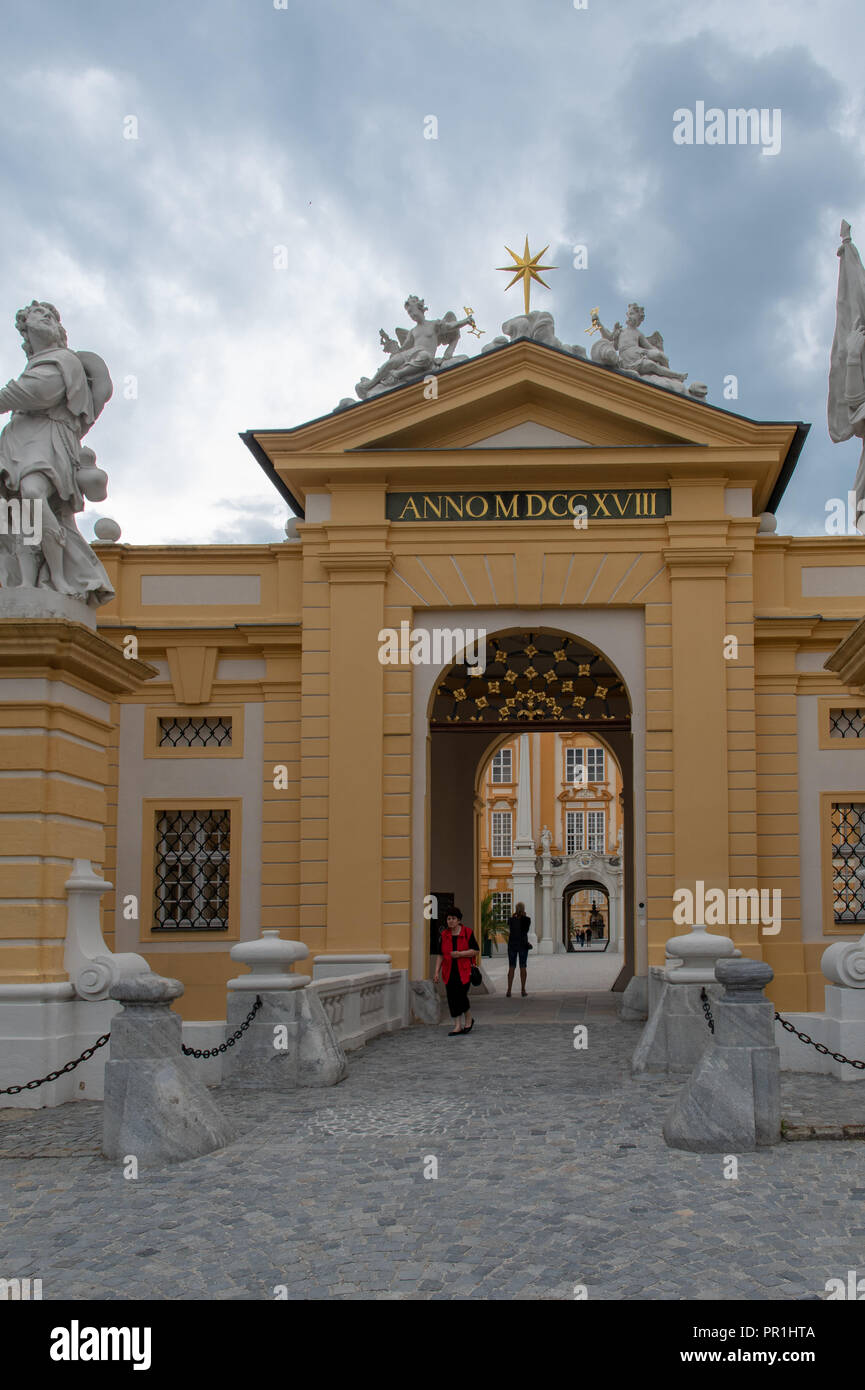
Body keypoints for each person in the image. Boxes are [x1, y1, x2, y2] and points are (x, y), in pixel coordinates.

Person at [432, 907, 479, 1035]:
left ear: (458, 920)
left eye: (453, 918)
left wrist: (460, 954)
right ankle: (457, 1025)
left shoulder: (467, 932)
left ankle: (468, 1018)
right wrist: (436, 972)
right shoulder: (444, 935)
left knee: (461, 996)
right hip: (449, 971)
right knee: (452, 998)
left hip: (464, 971)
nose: (450, 921)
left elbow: (475, 950)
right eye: (448, 919)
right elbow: (440, 955)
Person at [506, 901, 531, 998]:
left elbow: (510, 925)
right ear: (523, 909)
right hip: (523, 945)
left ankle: (509, 990)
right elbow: (526, 930)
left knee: (511, 967)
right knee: (523, 966)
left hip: (512, 945)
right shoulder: (527, 920)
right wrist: (523, 916)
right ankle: (523, 989)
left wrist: (514, 916)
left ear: (516, 909)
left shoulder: (511, 919)